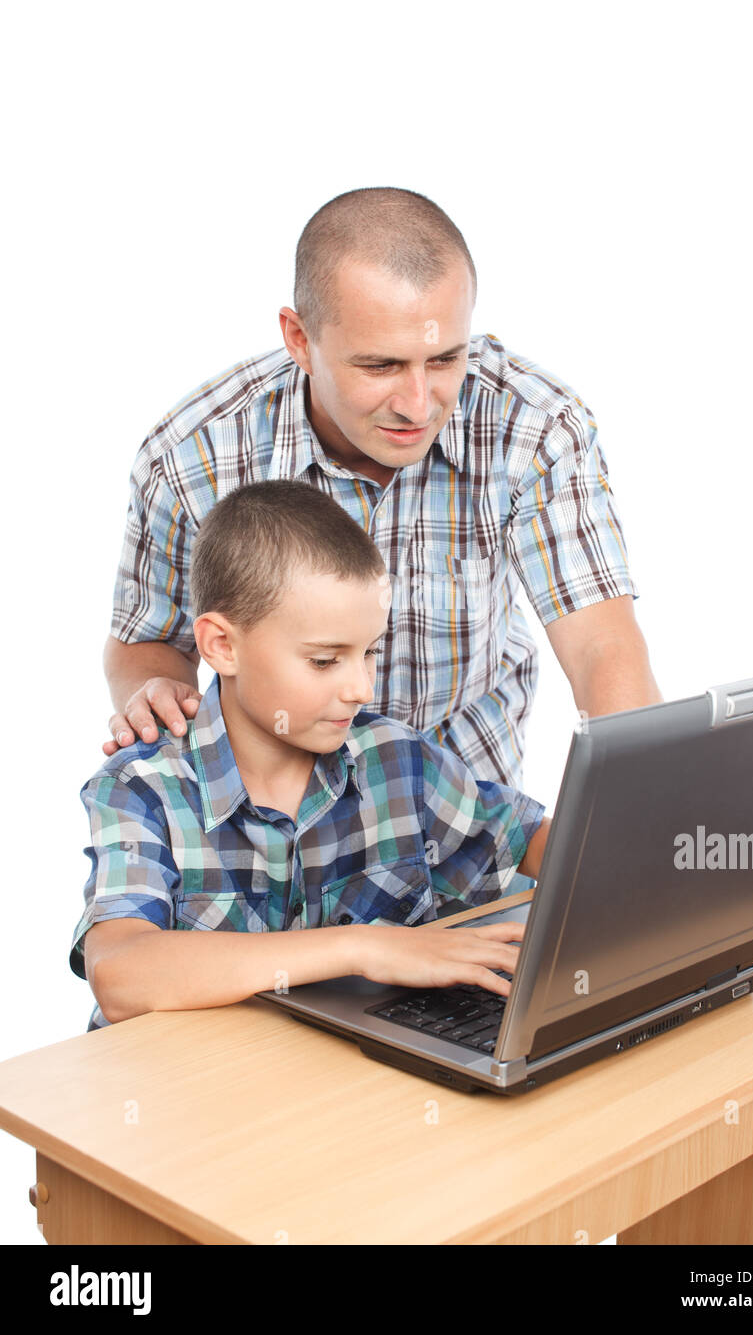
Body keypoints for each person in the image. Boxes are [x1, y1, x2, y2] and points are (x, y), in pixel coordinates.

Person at [102, 186, 661, 805]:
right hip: (272, 841)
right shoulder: (189, 455)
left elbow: (602, 646)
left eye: (446, 358)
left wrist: (636, 808)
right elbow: (148, 636)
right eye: (381, 366)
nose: (419, 406)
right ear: (299, 338)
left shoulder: (534, 427)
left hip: (469, 824)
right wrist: (154, 691)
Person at [72, 481, 550, 1033]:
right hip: (192, 1102)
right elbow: (121, 974)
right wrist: (360, 947)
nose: (361, 689)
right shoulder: (141, 788)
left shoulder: (398, 760)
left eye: (369, 651)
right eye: (325, 661)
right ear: (222, 646)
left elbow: (541, 841)